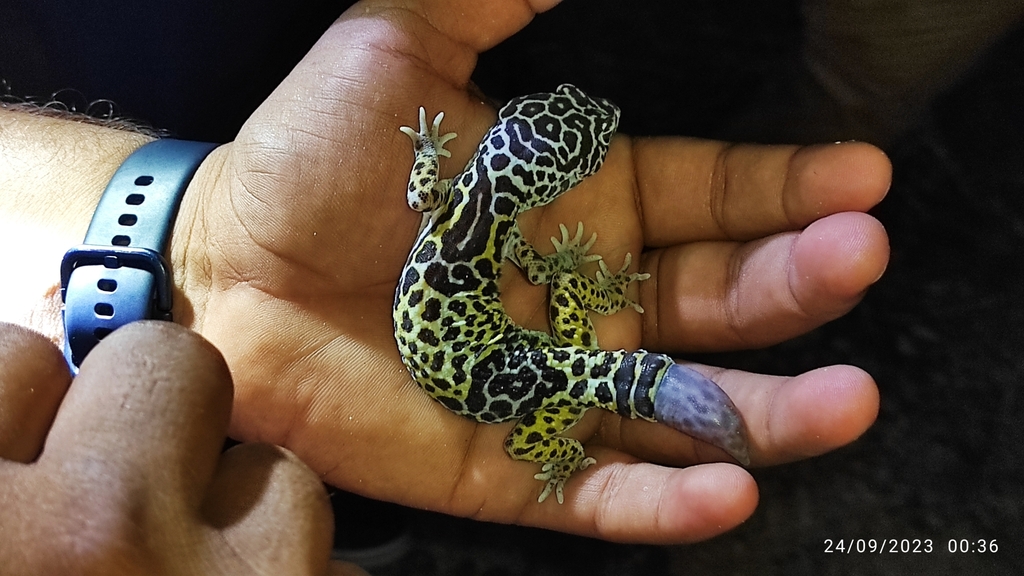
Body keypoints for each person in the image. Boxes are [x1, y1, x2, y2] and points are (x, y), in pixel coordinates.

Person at [0, 0, 892, 569]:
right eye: (578, 133)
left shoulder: (460, 202)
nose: (598, 126)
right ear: (530, 167)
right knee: (579, 369)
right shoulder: (484, 229)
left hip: (494, 364)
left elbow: (452, 204)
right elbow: (533, 269)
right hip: (494, 376)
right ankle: (551, 439)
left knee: (579, 371)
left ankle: (530, 449)